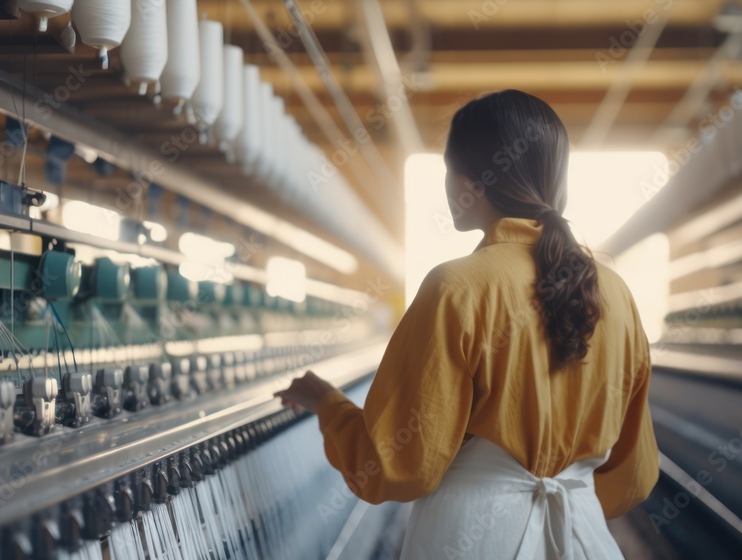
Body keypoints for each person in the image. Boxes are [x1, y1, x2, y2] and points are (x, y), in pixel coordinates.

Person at [275, 89, 659, 559]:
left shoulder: (456, 286)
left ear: (469, 180)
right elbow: (632, 478)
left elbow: (397, 464)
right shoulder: (616, 294)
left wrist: (325, 404)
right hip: (583, 536)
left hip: (473, 538)